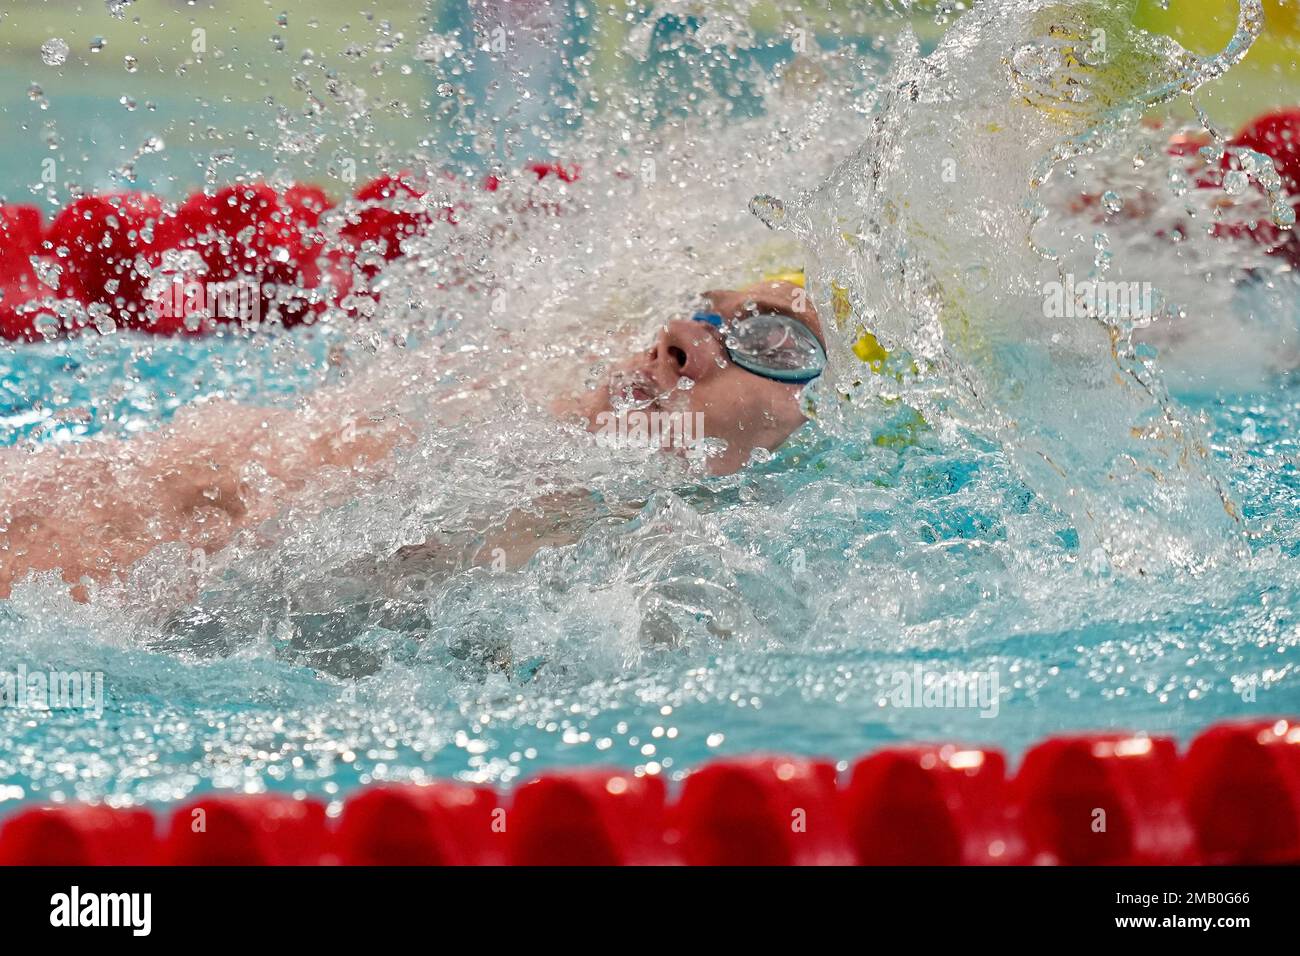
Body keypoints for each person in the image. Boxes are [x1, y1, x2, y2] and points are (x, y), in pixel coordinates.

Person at [0, 279, 825, 601]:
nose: (683, 334)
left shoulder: (637, 583)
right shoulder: (486, 403)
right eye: (713, 312)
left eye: (774, 344)